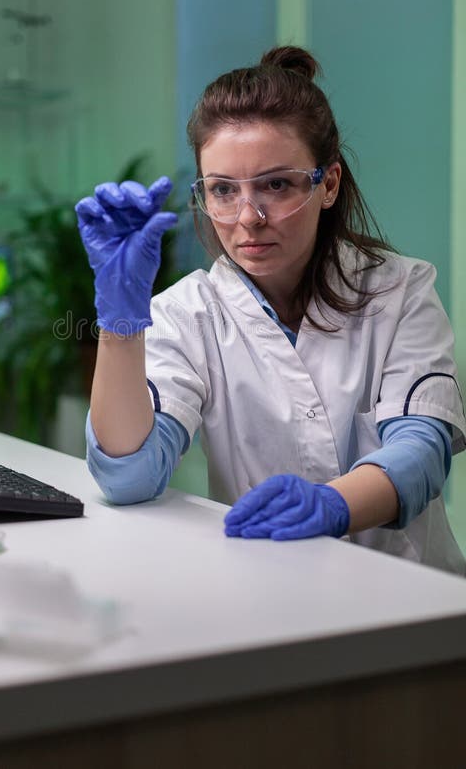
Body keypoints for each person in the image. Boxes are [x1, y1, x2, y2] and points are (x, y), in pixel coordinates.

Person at [75, 45, 466, 574]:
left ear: (327, 184)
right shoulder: (187, 312)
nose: (248, 217)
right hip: (263, 588)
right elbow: (129, 476)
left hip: (408, 596)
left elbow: (421, 451)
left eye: (276, 185)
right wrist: (120, 321)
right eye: (222, 190)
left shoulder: (399, 290)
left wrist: (334, 505)